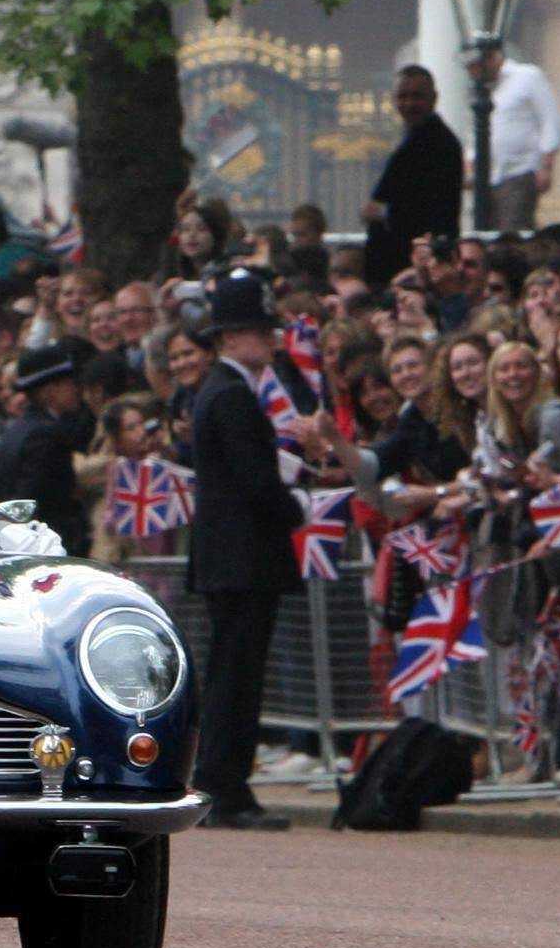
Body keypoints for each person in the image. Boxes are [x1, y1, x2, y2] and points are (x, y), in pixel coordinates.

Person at [187, 266, 344, 829]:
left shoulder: (225, 393)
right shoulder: (232, 396)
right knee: (237, 676)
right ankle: (225, 788)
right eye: (258, 329)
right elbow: (256, 484)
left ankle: (222, 782)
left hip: (231, 561)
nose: (270, 339)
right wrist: (301, 507)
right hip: (243, 561)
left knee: (234, 672)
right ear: (230, 337)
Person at [362, 66, 464, 288]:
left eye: (417, 97)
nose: (409, 104)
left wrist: (384, 212)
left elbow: (432, 206)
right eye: (403, 97)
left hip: (417, 262)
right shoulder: (412, 139)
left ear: (434, 98)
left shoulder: (439, 143)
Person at [0, 347, 93, 555]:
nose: (77, 389)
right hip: (43, 547)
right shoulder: (47, 435)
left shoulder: (16, 429)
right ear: (51, 389)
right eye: (70, 383)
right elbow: (36, 499)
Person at [465, 43, 560, 233]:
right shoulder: (479, 89)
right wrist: (469, 166)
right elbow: (472, 132)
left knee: (513, 230)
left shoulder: (527, 77)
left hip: (519, 171)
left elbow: (550, 121)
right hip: (485, 177)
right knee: (484, 231)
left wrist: (546, 166)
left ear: (491, 59)